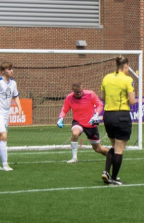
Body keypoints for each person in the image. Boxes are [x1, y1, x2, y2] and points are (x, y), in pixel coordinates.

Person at [100, 56, 136, 186]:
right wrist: (133, 100)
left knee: (114, 146)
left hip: (108, 115)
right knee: (119, 149)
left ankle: (106, 171)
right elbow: (132, 101)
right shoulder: (127, 79)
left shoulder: (106, 78)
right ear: (125, 66)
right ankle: (113, 178)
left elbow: (103, 97)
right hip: (121, 115)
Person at [56, 82, 108, 163]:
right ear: (72, 90)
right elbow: (64, 109)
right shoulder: (69, 98)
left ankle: (112, 156)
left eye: (80, 91)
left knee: (98, 149)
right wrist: (60, 118)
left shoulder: (90, 94)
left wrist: (96, 115)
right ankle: (74, 158)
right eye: (77, 92)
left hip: (90, 123)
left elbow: (100, 104)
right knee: (75, 133)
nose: (79, 93)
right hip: (78, 122)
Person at [0, 61, 22, 171]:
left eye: (12, 68)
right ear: (3, 71)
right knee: (4, 136)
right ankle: (5, 164)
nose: (11, 71)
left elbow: (16, 96)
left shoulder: (13, 83)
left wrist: (19, 107)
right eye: (9, 69)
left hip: (6, 113)